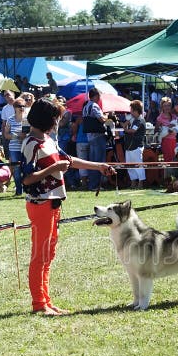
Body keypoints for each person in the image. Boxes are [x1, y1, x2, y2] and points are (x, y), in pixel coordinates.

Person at [21, 97, 115, 315]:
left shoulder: (49, 140)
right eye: (55, 117)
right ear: (46, 118)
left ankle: (46, 301)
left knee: (49, 254)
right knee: (40, 255)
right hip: (41, 204)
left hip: (53, 204)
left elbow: (70, 160)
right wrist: (53, 167)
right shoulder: (31, 144)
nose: (57, 122)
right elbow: (26, 179)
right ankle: (39, 304)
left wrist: (98, 166)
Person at [82, 88, 109, 191]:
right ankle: (96, 185)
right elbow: (101, 119)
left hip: (90, 137)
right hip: (98, 136)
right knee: (99, 162)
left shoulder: (85, 106)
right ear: (96, 96)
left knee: (92, 162)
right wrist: (106, 116)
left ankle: (92, 184)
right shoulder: (94, 105)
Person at [2, 97, 29, 195]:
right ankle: (18, 190)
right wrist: (17, 136)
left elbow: (32, 133)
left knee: (27, 169)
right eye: (19, 106)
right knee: (16, 170)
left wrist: (25, 136)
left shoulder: (27, 119)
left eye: (23, 106)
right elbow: (6, 135)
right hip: (14, 149)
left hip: (26, 148)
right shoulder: (10, 119)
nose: (21, 108)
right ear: (14, 107)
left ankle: (27, 189)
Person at [122, 100, 147, 189]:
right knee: (129, 165)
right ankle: (133, 183)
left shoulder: (140, 120)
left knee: (138, 165)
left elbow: (132, 131)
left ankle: (140, 183)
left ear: (135, 110)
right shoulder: (133, 120)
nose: (130, 111)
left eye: (131, 109)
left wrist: (125, 127)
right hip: (129, 146)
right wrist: (126, 124)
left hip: (136, 146)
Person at [156, 96, 178, 162]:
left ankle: (172, 172)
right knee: (168, 160)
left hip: (174, 140)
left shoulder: (174, 116)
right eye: (165, 106)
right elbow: (156, 131)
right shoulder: (159, 118)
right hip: (165, 141)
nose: (167, 107)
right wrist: (166, 129)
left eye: (168, 105)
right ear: (162, 107)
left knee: (174, 159)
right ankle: (167, 172)